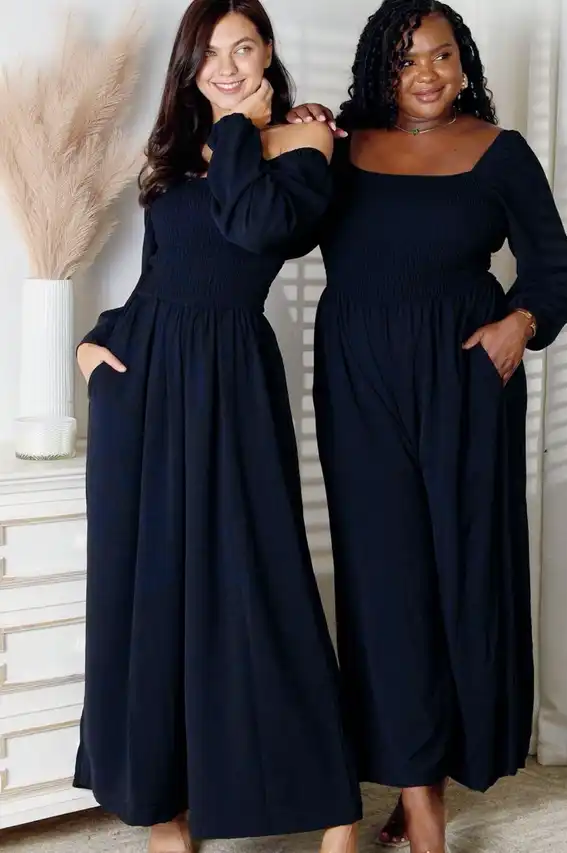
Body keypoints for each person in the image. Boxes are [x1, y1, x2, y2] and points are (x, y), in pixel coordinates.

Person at [286, 2, 567, 852]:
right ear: (380, 65)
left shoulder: (500, 151)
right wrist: (296, 135)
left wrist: (520, 323)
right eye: (408, 57)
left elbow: (554, 268)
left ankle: (436, 773)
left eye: (443, 56)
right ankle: (418, 796)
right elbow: (275, 223)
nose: (427, 73)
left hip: (466, 382)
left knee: (464, 575)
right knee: (386, 585)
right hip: (360, 386)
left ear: (464, 64)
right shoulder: (340, 149)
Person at [73, 2, 362, 851]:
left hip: (231, 376)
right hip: (141, 379)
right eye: (210, 53)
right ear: (188, 63)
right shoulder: (174, 151)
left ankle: (336, 806)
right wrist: (94, 343)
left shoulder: (303, 143)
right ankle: (167, 808)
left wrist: (243, 128)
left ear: (268, 52)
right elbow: (157, 273)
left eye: (243, 48)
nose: (226, 67)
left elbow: (257, 226)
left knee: (261, 582)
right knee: (146, 587)